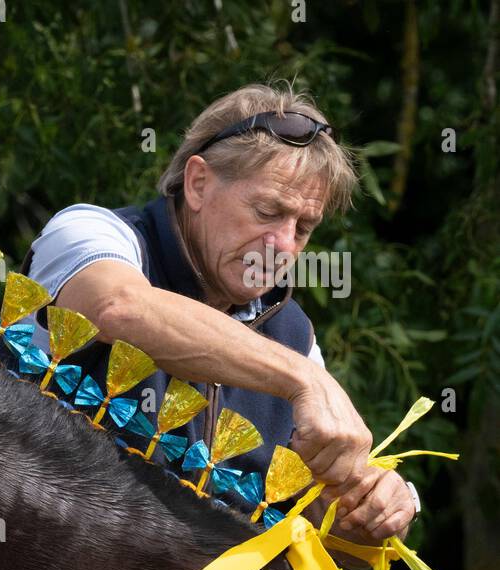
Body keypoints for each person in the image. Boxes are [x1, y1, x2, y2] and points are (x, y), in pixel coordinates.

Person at [21, 83, 418, 545]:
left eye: (304, 228)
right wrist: (307, 381)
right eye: (268, 211)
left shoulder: (295, 335)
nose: (285, 245)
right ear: (198, 183)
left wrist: (369, 509)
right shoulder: (93, 232)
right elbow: (118, 307)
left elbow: (314, 515)